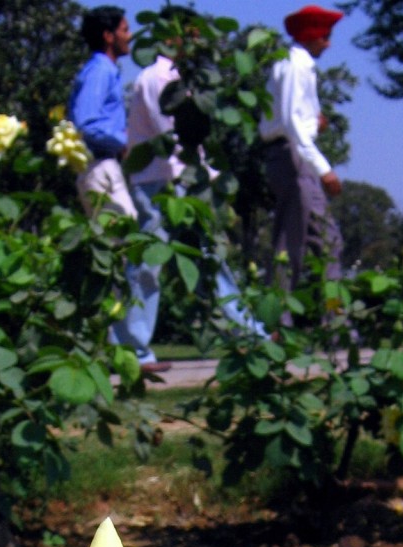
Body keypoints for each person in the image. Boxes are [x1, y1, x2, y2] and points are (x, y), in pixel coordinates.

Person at [127, 5, 266, 340]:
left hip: (174, 179)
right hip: (162, 180)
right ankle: (135, 345)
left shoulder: (176, 78)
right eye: (193, 34)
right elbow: (175, 137)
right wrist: (208, 176)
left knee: (209, 255)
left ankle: (247, 332)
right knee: (150, 264)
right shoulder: (160, 79)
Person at [68, 5, 169, 371]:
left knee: (120, 255)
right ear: (109, 35)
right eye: (125, 29)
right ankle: (131, 352)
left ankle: (121, 348)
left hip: (104, 167)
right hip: (101, 166)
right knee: (129, 252)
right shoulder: (101, 71)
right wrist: (122, 139)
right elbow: (85, 121)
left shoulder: (104, 70)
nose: (130, 36)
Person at [259, 4, 344, 292]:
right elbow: (293, 122)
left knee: (320, 241)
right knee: (293, 245)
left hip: (288, 154)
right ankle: (282, 323)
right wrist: (324, 170)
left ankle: (330, 321)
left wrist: (314, 121)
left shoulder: (289, 64)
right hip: (294, 158)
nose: (328, 43)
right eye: (325, 36)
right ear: (310, 36)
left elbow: (291, 116)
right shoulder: (297, 67)